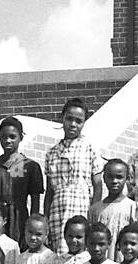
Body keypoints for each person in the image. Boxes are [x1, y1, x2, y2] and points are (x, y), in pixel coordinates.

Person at [45, 97, 104, 254]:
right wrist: (46, 222)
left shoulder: (90, 148)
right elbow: (49, 191)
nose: (73, 124)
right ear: (62, 118)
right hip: (57, 211)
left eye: (78, 121)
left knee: (82, 256)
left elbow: (98, 185)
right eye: (69, 119)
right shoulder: (52, 153)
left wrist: (93, 215)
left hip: (82, 209)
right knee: (61, 256)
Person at [0, 116, 45, 247]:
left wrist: (32, 226)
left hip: (19, 219)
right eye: (3, 137)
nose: (8, 140)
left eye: (12, 136)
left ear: (20, 137)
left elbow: (35, 200)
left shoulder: (29, 166)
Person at [88, 159, 138, 256]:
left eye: (119, 177)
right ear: (104, 178)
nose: (114, 181)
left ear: (127, 179)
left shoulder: (133, 207)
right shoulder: (94, 209)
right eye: (110, 177)